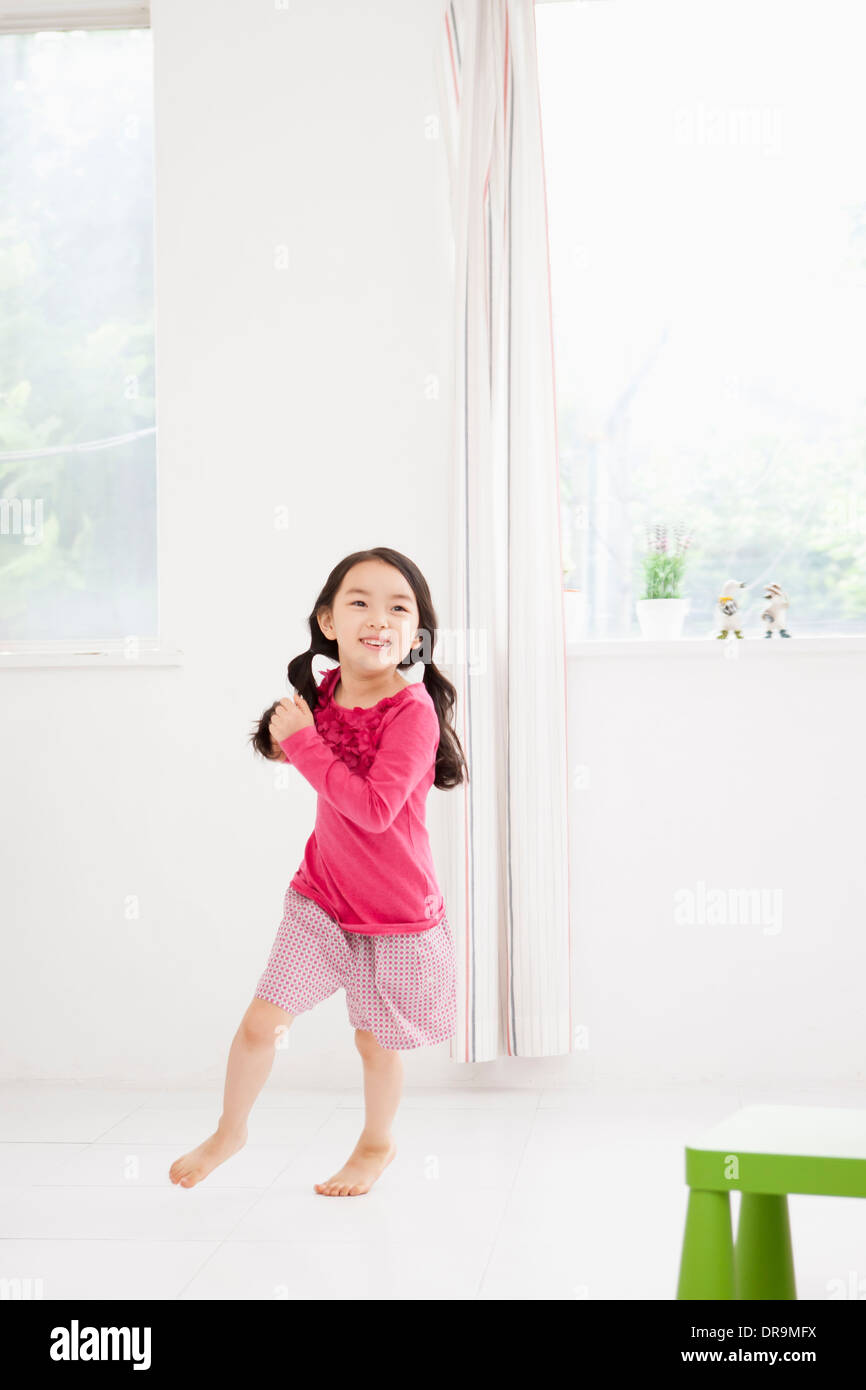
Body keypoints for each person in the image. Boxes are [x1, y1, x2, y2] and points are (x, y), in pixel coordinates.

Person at [169, 547, 468, 1196]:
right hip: (323, 901)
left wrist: (304, 743)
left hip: (394, 915)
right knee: (261, 1024)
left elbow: (373, 809)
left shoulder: (412, 713)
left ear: (415, 636)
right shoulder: (323, 693)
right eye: (359, 601)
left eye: (398, 606)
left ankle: (377, 1142)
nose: (378, 618)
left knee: (373, 1043)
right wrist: (286, 737)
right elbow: (297, 750)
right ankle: (230, 1130)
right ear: (328, 621)